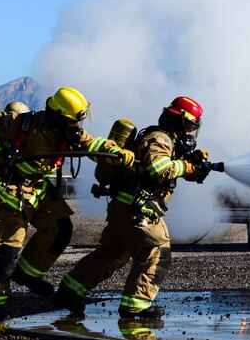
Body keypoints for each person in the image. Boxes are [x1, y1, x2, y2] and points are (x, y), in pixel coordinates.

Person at [0, 87, 134, 322]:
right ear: (58, 117)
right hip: (8, 193)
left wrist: (117, 152)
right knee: (3, 253)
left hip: (38, 190)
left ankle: (26, 274)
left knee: (60, 229)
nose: (77, 127)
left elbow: (93, 144)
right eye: (73, 121)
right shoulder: (23, 124)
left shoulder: (67, 132)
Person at [53, 96, 215, 319]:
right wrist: (186, 166)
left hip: (125, 207)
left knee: (112, 254)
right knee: (156, 253)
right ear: (178, 121)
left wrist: (194, 165)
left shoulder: (167, 141)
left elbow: (171, 169)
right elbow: (159, 169)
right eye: (188, 126)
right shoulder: (160, 139)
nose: (189, 133)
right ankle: (136, 305)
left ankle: (68, 292)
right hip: (138, 210)